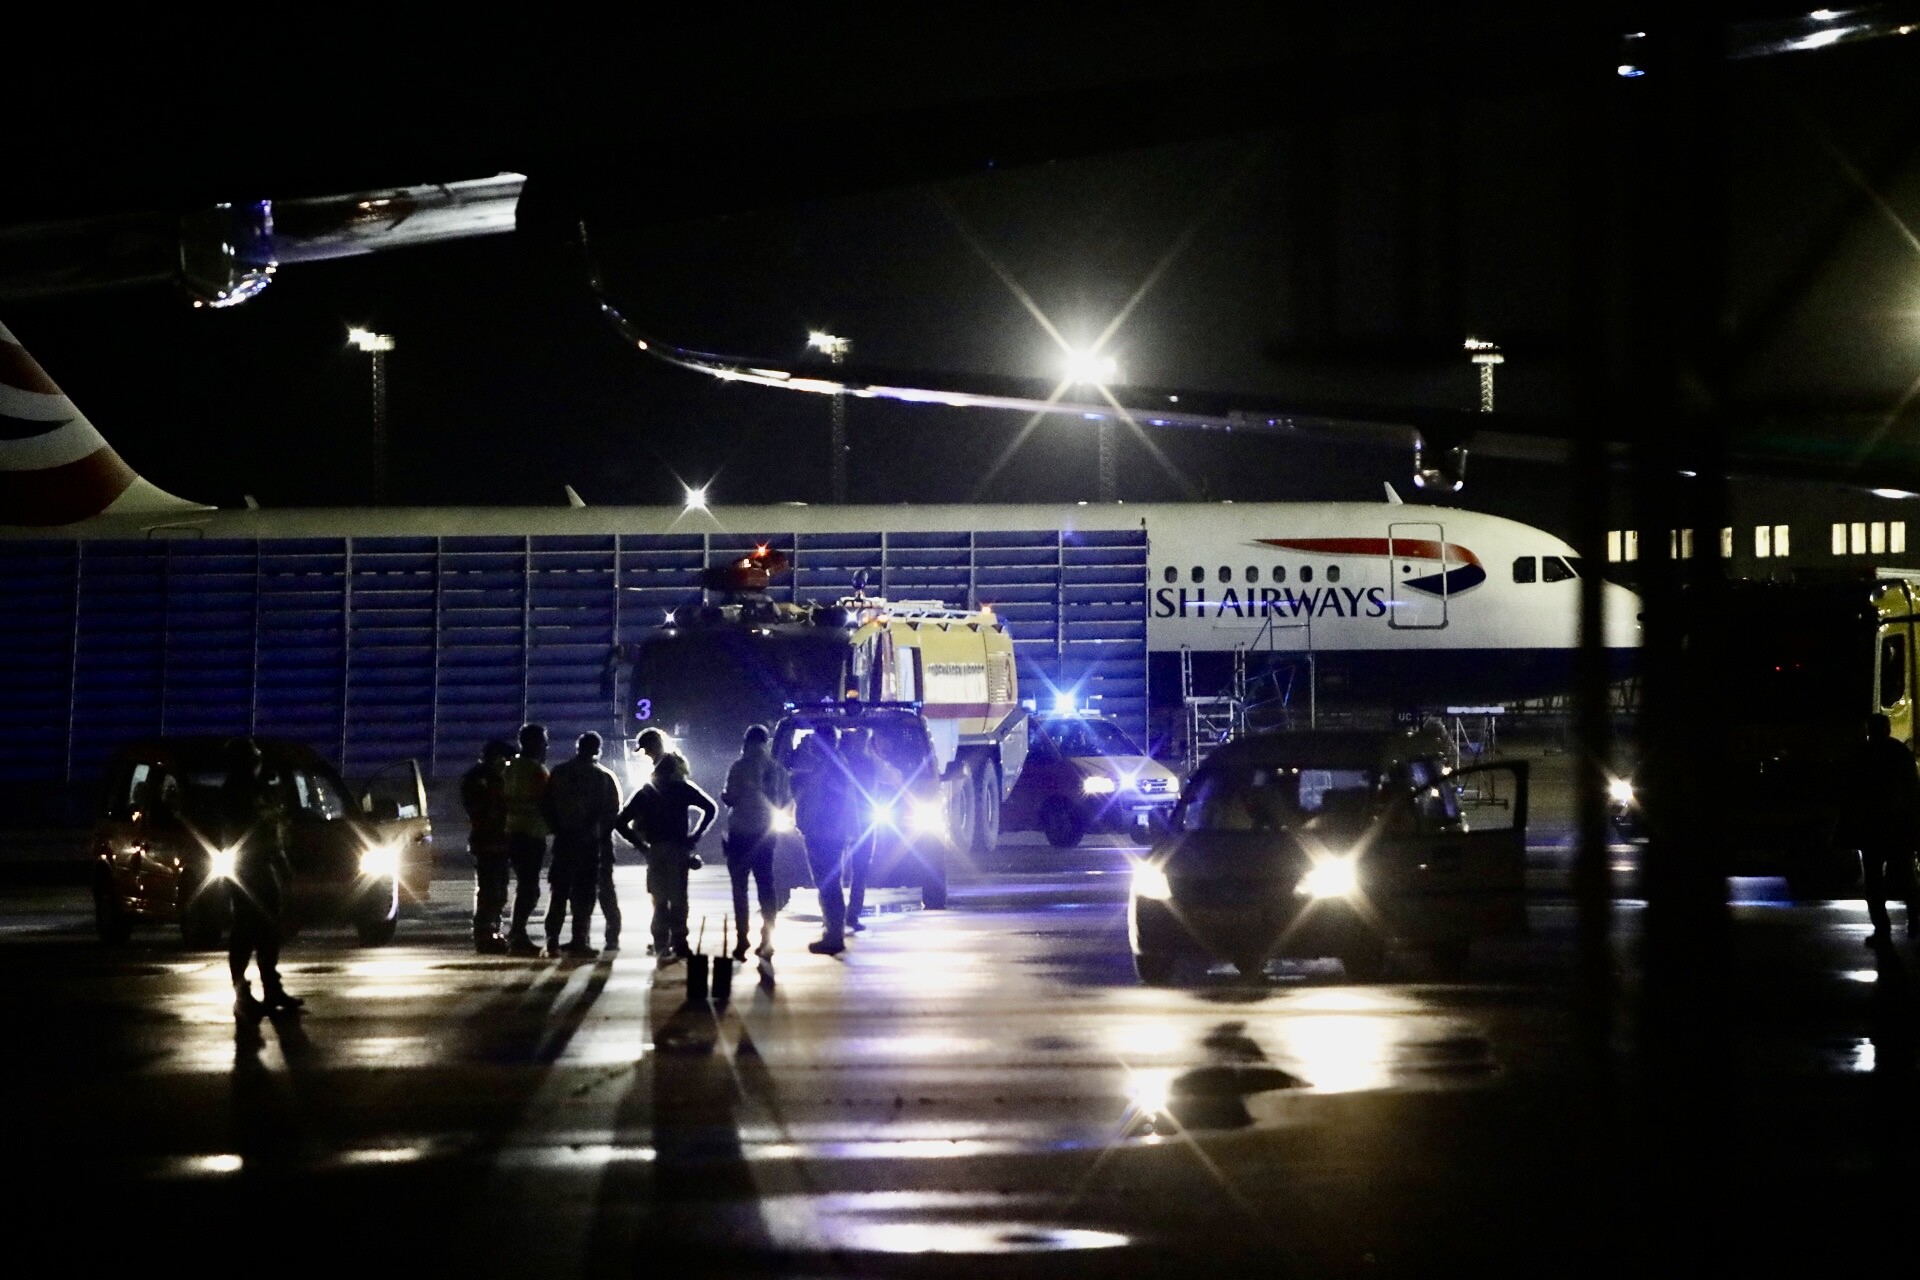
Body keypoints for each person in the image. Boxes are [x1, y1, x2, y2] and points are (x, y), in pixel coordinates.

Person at [217, 737, 300, 1018]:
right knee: (245, 931)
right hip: (247, 870)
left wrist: (281, 861)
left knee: (268, 931)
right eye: (253, 760)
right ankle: (242, 993)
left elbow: (272, 828)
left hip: (263, 866)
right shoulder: (235, 793)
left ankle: (271, 989)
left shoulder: (258, 789)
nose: (257, 764)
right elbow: (250, 831)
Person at [615, 749, 718, 960]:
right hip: (679, 849)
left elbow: (620, 821)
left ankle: (661, 943)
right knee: (679, 898)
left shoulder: (646, 791)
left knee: (659, 898)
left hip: (655, 850)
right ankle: (680, 941)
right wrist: (695, 835)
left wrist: (640, 844)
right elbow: (710, 808)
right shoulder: (683, 788)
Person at [543, 731, 623, 958]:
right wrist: (599, 836)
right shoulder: (604, 776)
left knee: (559, 891)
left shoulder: (559, 773)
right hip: (595, 844)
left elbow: (546, 805)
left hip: (565, 839)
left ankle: (552, 940)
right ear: (598, 750)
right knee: (595, 892)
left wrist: (558, 828)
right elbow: (613, 812)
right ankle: (593, 938)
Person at [1847, 712, 1920, 948]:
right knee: (1907, 877)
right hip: (1898, 825)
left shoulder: (1863, 755)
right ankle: (1914, 919)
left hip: (1872, 827)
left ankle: (1882, 928)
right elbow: (1912, 789)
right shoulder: (1900, 753)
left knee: (1874, 881)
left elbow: (1852, 793)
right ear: (1888, 729)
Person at [722, 723, 792, 961]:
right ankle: (767, 937)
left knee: (739, 888)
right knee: (766, 885)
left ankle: (742, 938)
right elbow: (785, 801)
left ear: (746, 742)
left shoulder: (739, 767)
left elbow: (730, 797)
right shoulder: (777, 770)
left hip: (741, 832)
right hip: (766, 833)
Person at [793, 724, 858, 955]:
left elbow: (834, 801)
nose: (812, 745)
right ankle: (832, 933)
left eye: (815, 741)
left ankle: (833, 935)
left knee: (829, 884)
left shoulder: (833, 766)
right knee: (827, 884)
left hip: (825, 833)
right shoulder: (828, 764)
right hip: (823, 831)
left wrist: (820, 825)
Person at [843, 728, 901, 934]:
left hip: (840, 822)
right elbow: (895, 777)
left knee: (838, 872)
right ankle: (851, 915)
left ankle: (835, 915)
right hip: (863, 823)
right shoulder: (871, 762)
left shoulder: (841, 759)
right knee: (859, 872)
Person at [500, 723, 552, 955]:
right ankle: (518, 934)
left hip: (512, 832)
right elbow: (547, 802)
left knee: (526, 886)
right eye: (543, 741)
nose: (546, 746)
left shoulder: (509, 768)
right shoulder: (536, 771)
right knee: (529, 888)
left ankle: (516, 932)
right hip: (531, 834)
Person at [461, 738, 515, 953]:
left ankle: (493, 930)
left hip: (499, 840)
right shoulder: (479, 778)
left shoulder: (489, 776)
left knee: (498, 890)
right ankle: (484, 933)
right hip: (487, 840)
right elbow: (481, 808)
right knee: (489, 890)